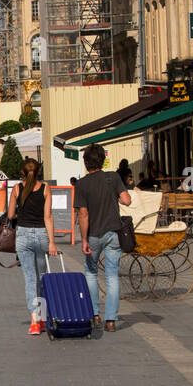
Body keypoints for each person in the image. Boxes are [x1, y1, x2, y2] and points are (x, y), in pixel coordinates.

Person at [74, 143, 132, 333]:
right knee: (112, 275)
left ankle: (95, 314)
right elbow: (126, 200)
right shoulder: (113, 177)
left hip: (93, 234)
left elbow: (83, 215)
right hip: (113, 233)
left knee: (91, 273)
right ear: (102, 160)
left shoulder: (82, 184)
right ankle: (111, 320)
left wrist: (83, 240)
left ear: (85, 163)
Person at [8, 157, 58, 336]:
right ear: (39, 172)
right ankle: (43, 318)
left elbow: (11, 214)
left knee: (30, 279)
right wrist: (52, 242)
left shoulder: (16, 189)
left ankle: (34, 322)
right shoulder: (45, 188)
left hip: (23, 235)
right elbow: (48, 217)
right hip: (41, 235)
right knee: (42, 277)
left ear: (22, 172)